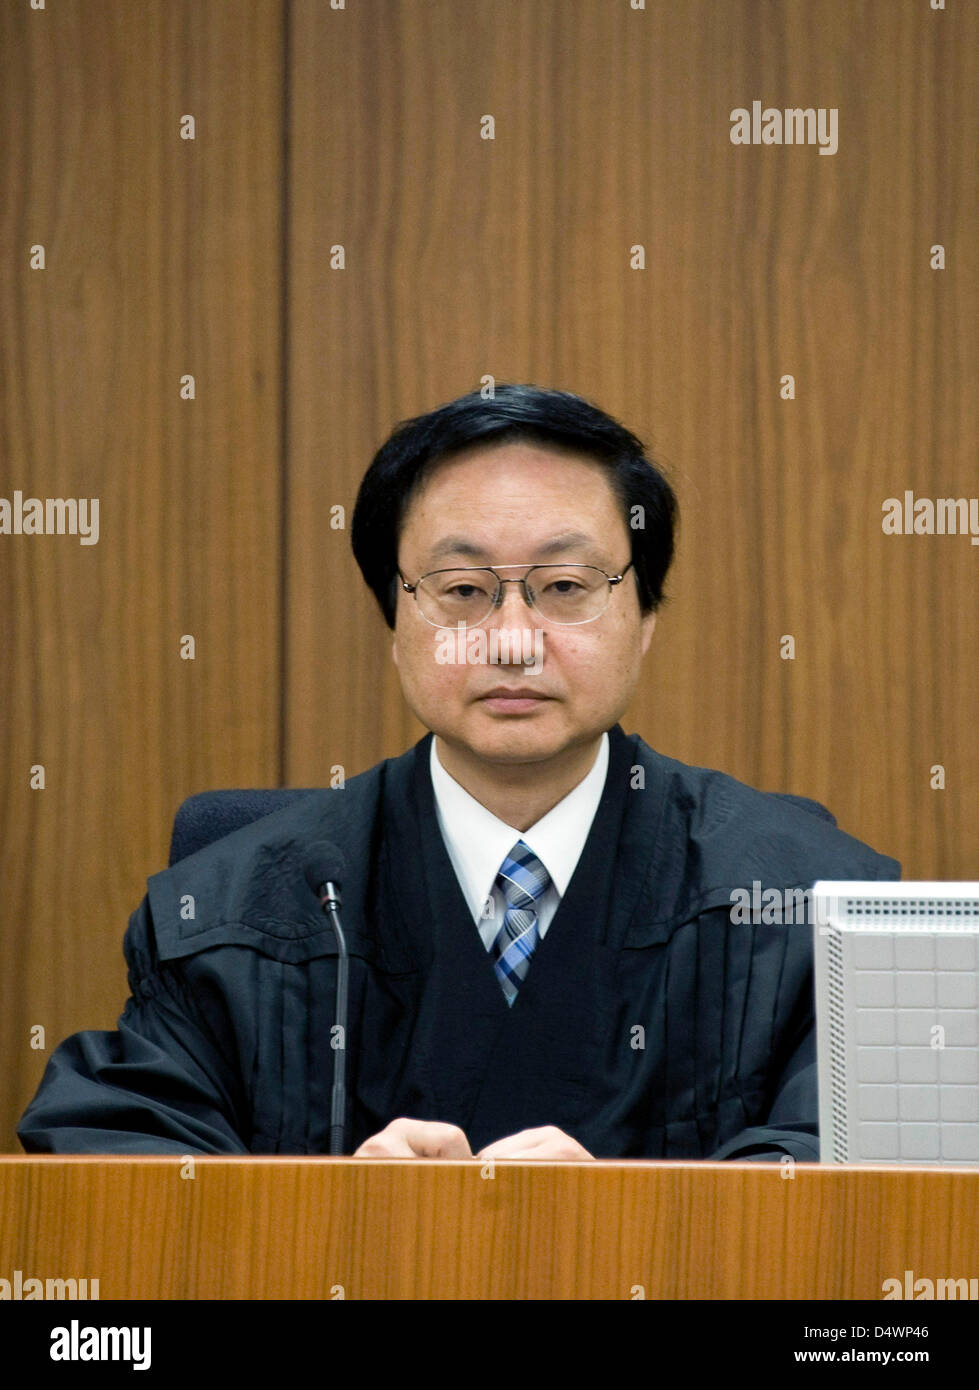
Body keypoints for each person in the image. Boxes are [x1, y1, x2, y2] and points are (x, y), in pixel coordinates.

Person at [18, 384, 899, 1160]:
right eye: (463, 590)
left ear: (646, 617)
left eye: (564, 587)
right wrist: (336, 1220)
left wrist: (638, 1230)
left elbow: (863, 1190)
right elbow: (116, 1165)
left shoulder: (810, 911)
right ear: (392, 620)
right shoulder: (225, 913)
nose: (513, 641)